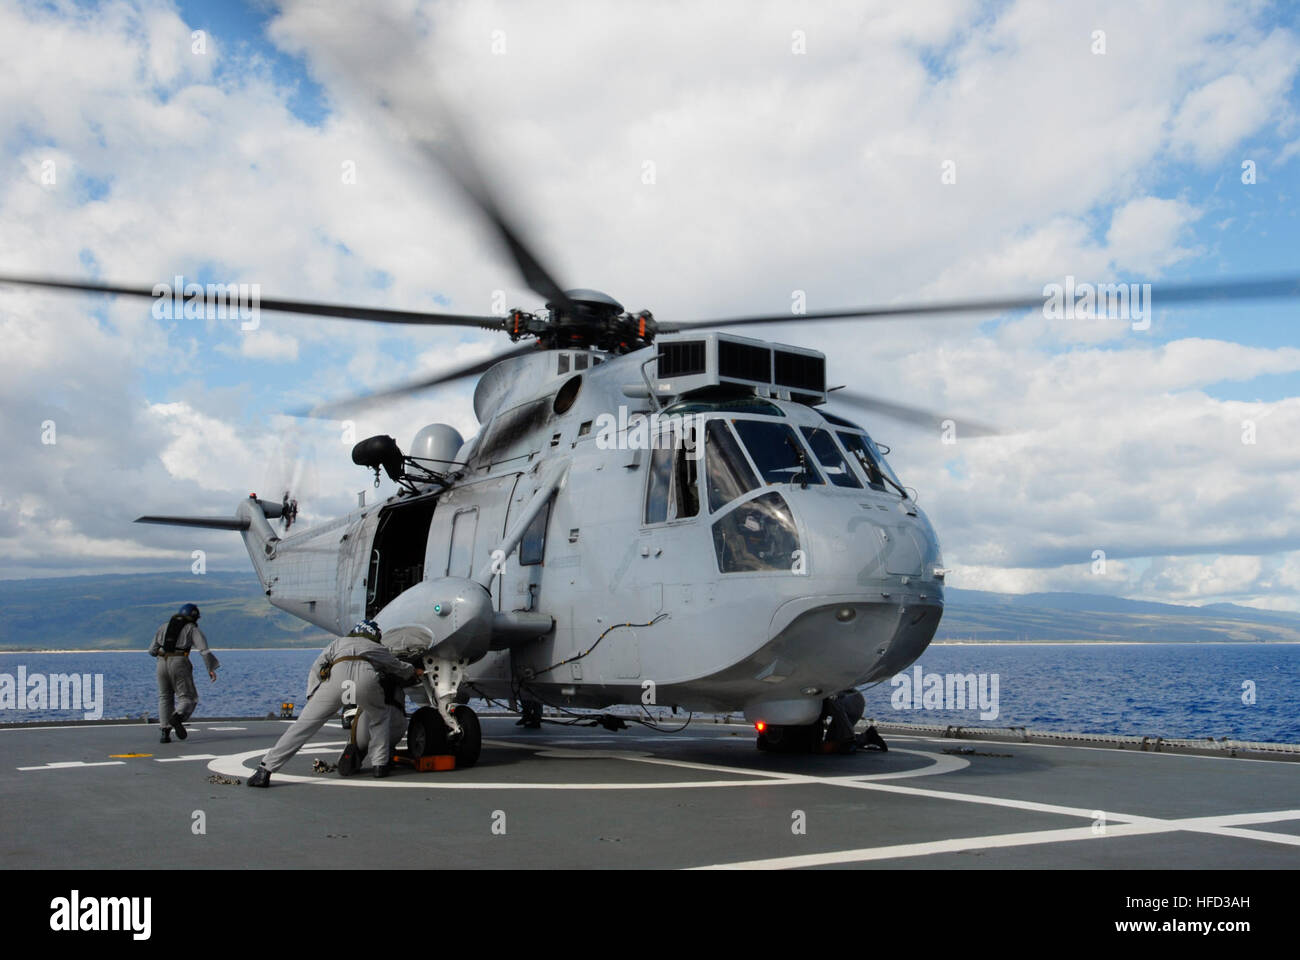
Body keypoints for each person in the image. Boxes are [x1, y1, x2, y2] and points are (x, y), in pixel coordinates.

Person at [248, 620, 420, 787]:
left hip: (336, 678)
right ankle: (379, 766)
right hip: (365, 679)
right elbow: (397, 666)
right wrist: (413, 672)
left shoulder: (338, 642)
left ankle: (265, 770)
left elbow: (318, 665)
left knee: (304, 725)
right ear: (374, 635)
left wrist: (312, 694)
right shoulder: (376, 647)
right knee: (380, 718)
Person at [149, 603, 219, 744]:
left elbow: (151, 650)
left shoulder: (164, 626)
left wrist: (163, 655)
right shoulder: (192, 629)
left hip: (161, 662)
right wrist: (211, 668)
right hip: (179, 662)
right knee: (188, 697)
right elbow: (204, 650)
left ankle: (165, 731)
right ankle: (177, 717)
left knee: (164, 696)